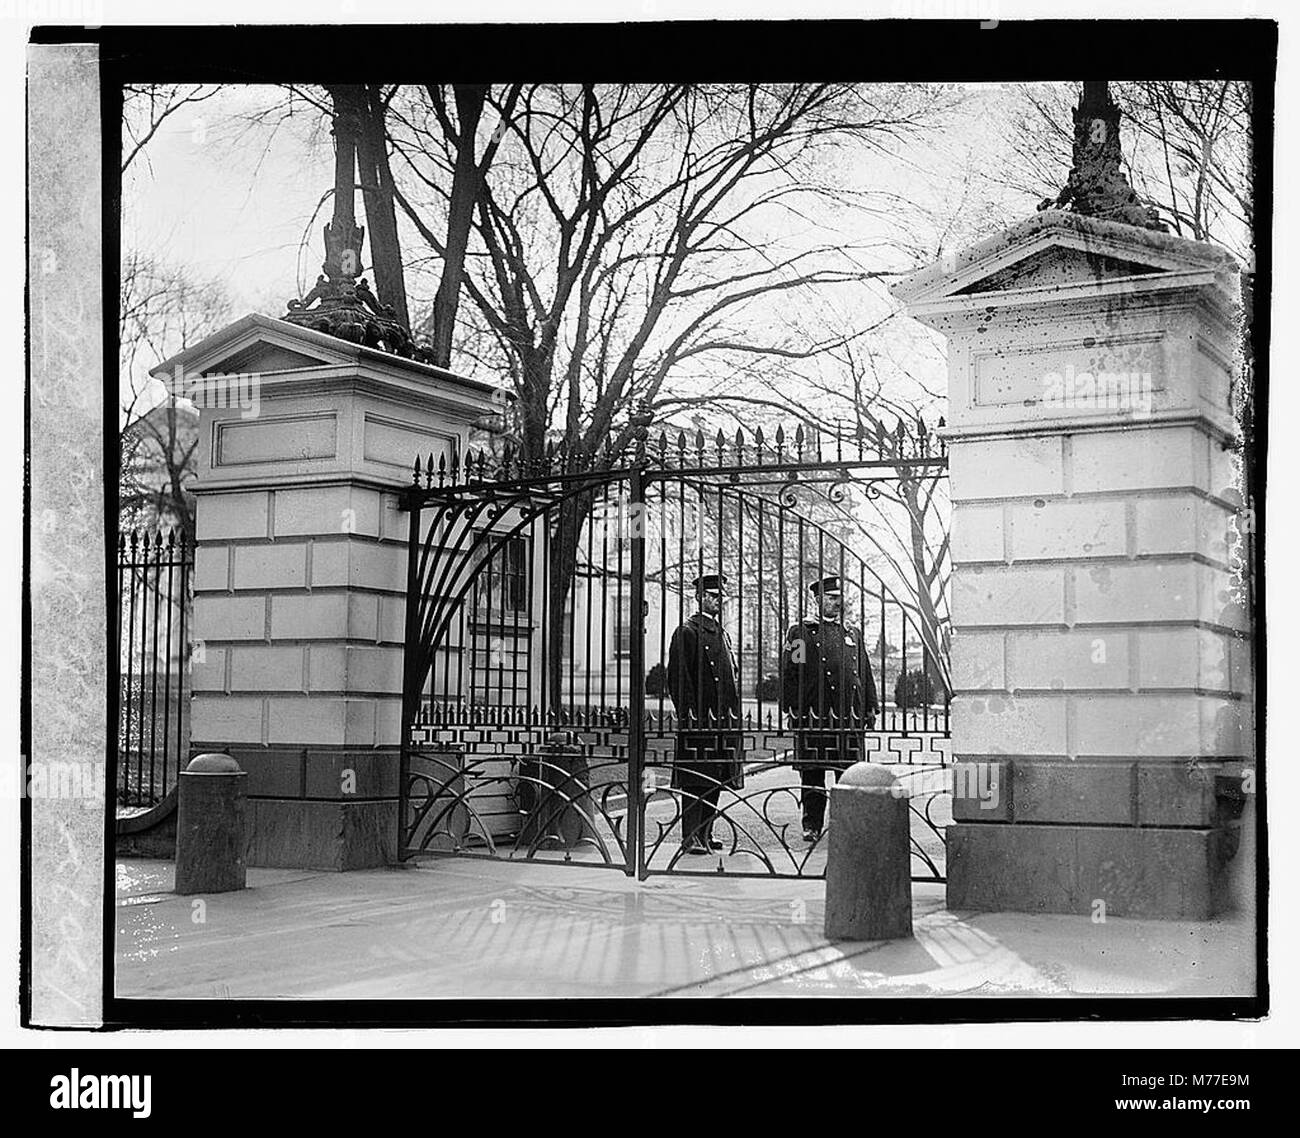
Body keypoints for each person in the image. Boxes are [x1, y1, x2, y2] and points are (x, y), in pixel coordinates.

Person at [780, 575, 878, 842]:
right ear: (817, 600)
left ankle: (848, 823)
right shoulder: (800, 633)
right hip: (814, 712)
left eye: (839, 598)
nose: (837, 603)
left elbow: (864, 672)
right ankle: (811, 825)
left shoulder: (852, 633)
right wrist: (792, 708)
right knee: (813, 772)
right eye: (831, 598)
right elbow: (791, 670)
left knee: (848, 771)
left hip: (848, 714)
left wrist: (870, 706)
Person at [666, 573, 744, 855]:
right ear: (699, 597)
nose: (718, 600)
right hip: (699, 721)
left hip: (722, 721)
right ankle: (691, 837)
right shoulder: (687, 631)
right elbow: (678, 679)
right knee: (695, 779)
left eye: (720, 595)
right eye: (712, 595)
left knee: (715, 779)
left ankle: (706, 832)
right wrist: (690, 716)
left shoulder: (721, 633)